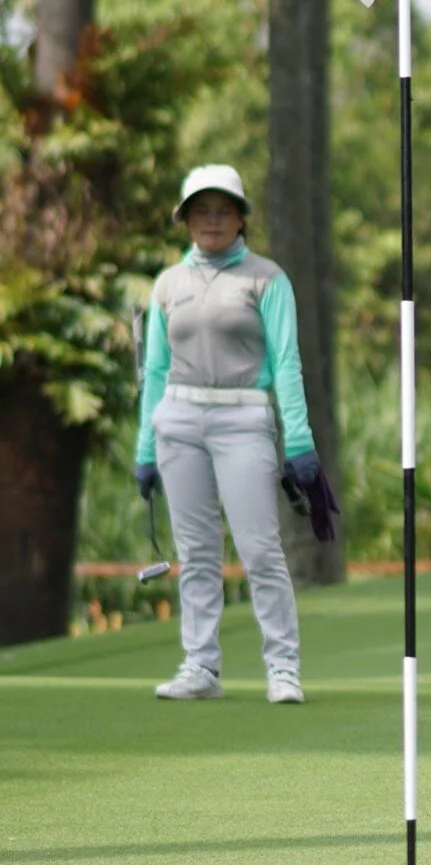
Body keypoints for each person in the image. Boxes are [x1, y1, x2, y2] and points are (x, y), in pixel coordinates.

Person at [134, 165, 324, 704]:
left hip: (243, 420)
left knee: (260, 549)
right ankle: (201, 666)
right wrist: (145, 448)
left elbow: (286, 363)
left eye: (223, 210)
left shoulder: (267, 278)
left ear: (242, 219)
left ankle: (283, 668)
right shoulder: (168, 284)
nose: (212, 220)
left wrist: (300, 442)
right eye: (201, 211)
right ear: (186, 219)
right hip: (178, 422)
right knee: (196, 552)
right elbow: (155, 370)